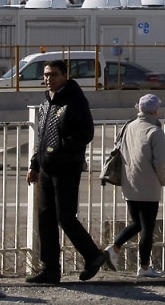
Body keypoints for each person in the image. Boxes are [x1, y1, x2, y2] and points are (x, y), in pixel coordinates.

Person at [26, 59, 107, 284]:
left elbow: (85, 132)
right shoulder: (47, 103)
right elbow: (41, 139)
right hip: (46, 169)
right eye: (45, 75)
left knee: (65, 217)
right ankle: (50, 269)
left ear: (65, 76)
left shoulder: (74, 100)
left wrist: (61, 150)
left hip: (66, 168)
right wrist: (35, 164)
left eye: (53, 75)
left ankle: (93, 255)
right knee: (46, 218)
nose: (48, 79)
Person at [104, 94, 165, 278]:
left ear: (139, 108)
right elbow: (161, 162)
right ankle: (144, 266)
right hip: (149, 185)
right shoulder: (155, 131)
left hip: (129, 183)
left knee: (137, 223)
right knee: (147, 227)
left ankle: (114, 248)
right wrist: (162, 179)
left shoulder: (128, 127)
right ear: (156, 110)